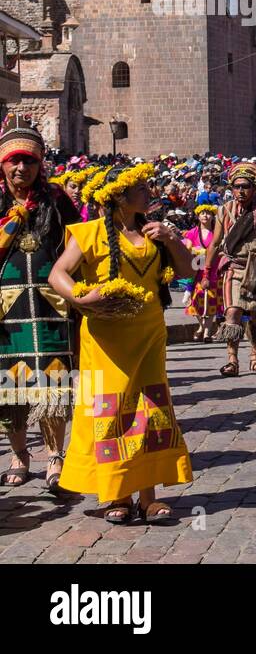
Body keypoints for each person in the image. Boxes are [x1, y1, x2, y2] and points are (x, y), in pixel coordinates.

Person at [49, 162, 193, 523]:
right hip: (106, 339)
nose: (149, 192)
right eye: (142, 189)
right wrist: (81, 299)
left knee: (149, 410)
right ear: (120, 198)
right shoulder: (90, 233)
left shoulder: (155, 232)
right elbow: (57, 274)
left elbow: (189, 271)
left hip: (149, 333)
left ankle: (149, 496)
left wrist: (173, 240)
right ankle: (118, 495)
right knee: (112, 413)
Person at [0, 124, 81, 490]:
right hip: (6, 312)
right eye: (14, 161)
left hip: (51, 306)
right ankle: (19, 455)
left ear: (40, 164)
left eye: (29, 161)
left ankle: (55, 455)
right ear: (2, 165)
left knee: (52, 385)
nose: (22, 169)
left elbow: (79, 245)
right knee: (11, 388)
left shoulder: (57, 200)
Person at [203, 162, 256, 376]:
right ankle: (232, 361)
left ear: (254, 187)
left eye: (245, 186)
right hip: (235, 267)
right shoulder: (224, 211)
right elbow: (215, 243)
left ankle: (255, 359)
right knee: (232, 312)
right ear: (231, 188)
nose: (240, 191)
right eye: (236, 186)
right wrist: (207, 272)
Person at [183, 204, 222, 342]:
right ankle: (201, 326)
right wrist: (195, 251)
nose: (205, 216)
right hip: (196, 269)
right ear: (198, 216)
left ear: (212, 216)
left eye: (208, 213)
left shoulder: (218, 232)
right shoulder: (192, 232)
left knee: (210, 301)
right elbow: (187, 248)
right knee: (196, 301)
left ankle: (206, 332)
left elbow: (222, 249)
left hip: (213, 269)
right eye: (202, 213)